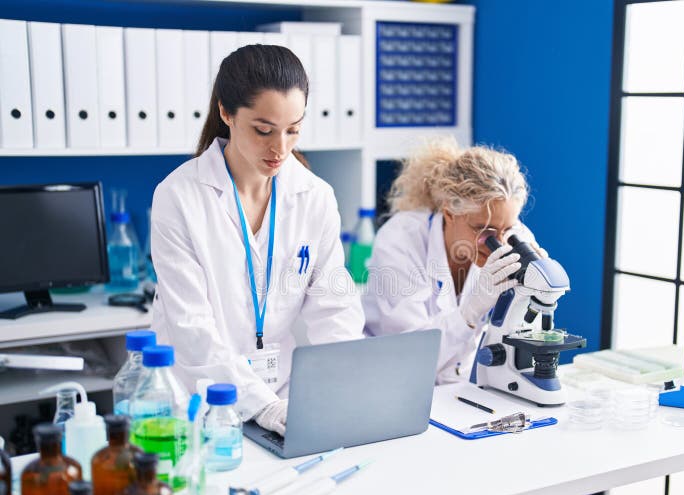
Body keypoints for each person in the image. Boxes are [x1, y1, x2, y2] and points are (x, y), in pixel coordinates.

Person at [150, 45, 364, 436]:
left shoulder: (314, 197)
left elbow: (335, 309)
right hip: (197, 401)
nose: (280, 148)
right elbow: (192, 329)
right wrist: (262, 406)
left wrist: (343, 384)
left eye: (293, 130)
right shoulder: (178, 197)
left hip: (281, 399)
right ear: (226, 113)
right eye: (263, 130)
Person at [364, 136, 546, 383]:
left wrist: (535, 291)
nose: (498, 243)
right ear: (450, 214)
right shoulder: (401, 241)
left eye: (507, 230)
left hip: (468, 385)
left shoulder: (513, 237)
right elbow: (410, 358)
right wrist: (469, 312)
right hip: (393, 384)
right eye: (484, 230)